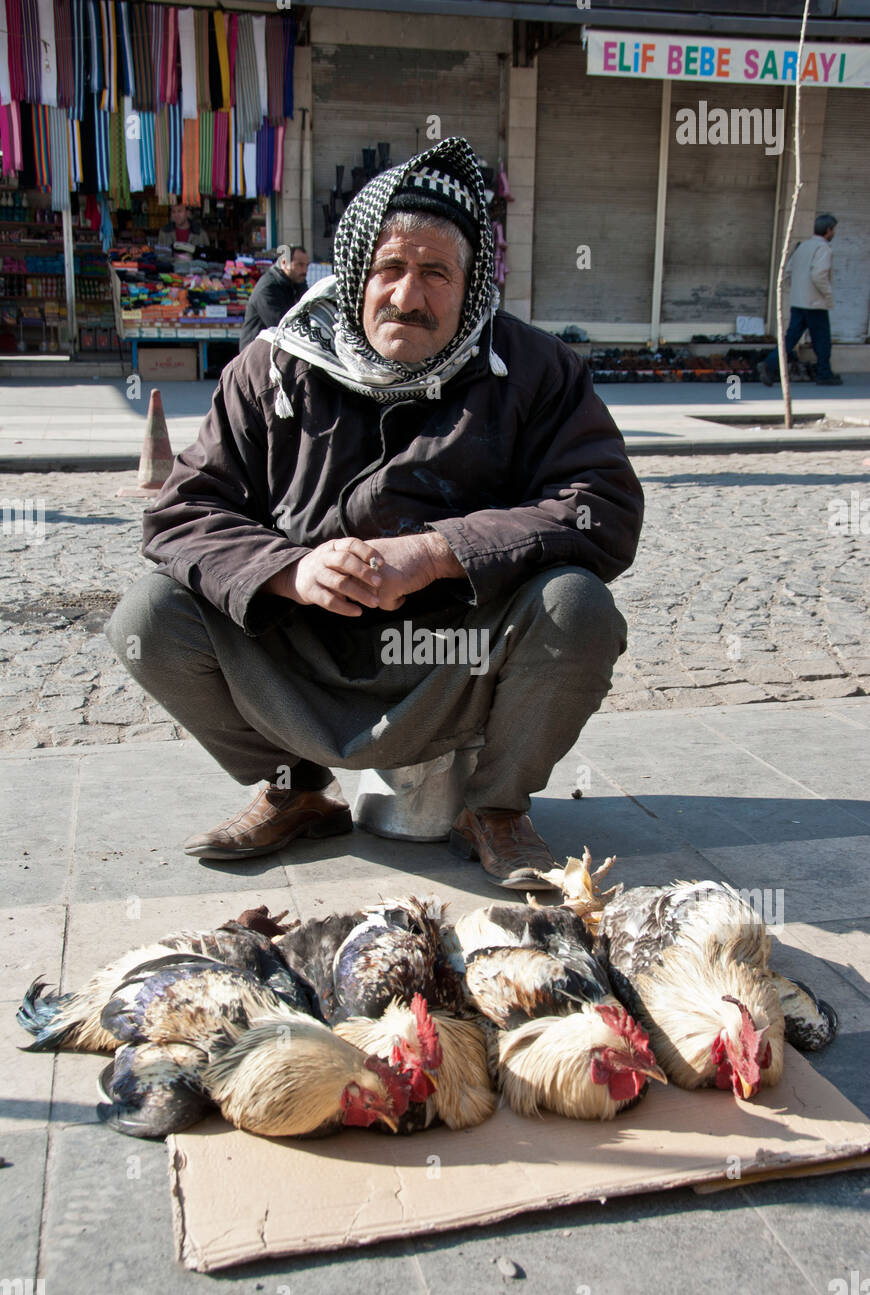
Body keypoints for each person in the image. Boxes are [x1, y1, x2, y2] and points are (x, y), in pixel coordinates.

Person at [106, 137, 643, 891]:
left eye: (435, 274)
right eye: (390, 269)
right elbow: (181, 513)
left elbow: (602, 506)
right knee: (148, 620)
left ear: (471, 283)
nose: (408, 297)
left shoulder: (534, 370)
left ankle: (494, 808)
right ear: (357, 271)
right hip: (299, 649)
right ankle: (297, 791)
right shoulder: (271, 368)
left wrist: (435, 553)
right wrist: (290, 571)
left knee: (577, 608)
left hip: (458, 655)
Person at [760, 214, 842, 387]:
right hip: (815, 303)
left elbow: (788, 272)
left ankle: (769, 364)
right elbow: (819, 275)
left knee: (790, 338)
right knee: (822, 341)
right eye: (833, 229)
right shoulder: (824, 248)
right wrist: (828, 295)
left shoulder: (803, 246)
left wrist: (798, 290)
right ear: (828, 230)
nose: (834, 233)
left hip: (798, 302)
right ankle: (824, 374)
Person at [239, 245, 310, 351]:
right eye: (299, 265)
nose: (305, 270)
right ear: (284, 263)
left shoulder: (297, 283)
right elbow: (280, 325)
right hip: (256, 353)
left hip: (277, 349)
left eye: (307, 265)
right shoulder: (268, 287)